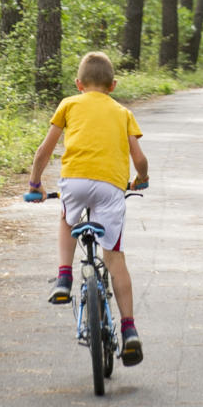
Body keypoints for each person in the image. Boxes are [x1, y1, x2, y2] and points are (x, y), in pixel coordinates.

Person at [24, 51, 149, 365]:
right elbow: (140, 159)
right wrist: (141, 180)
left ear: (78, 84)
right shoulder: (122, 112)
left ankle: (64, 277)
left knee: (67, 219)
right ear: (113, 84)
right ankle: (129, 330)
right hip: (111, 187)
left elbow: (44, 151)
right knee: (115, 256)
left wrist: (35, 184)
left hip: (75, 182)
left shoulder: (68, 104)